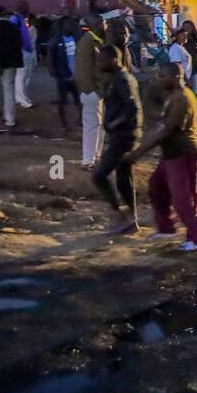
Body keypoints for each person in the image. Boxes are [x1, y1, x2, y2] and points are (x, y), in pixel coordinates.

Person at [126, 61, 197, 251]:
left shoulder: (182, 99)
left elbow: (167, 130)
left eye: (162, 76)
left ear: (175, 78)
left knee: (183, 198)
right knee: (157, 187)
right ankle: (166, 227)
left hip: (182, 153)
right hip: (173, 153)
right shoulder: (176, 96)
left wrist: (139, 152)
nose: (158, 80)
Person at [91, 44, 143, 235]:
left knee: (99, 175)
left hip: (124, 136)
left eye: (101, 60)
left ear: (114, 60)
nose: (98, 64)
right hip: (123, 135)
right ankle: (131, 221)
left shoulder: (122, 80)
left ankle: (121, 216)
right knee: (123, 179)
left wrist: (115, 124)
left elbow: (133, 108)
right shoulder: (117, 78)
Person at [75, 14, 107, 167]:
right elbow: (83, 69)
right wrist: (91, 90)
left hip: (96, 91)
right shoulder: (88, 41)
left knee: (98, 126)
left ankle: (95, 157)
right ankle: (88, 160)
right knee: (91, 126)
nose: (105, 25)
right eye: (103, 22)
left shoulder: (94, 41)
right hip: (91, 91)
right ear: (96, 24)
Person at [49, 16, 81, 131]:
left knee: (78, 100)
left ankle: (81, 121)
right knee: (62, 101)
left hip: (75, 76)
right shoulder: (56, 41)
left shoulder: (76, 39)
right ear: (63, 26)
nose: (71, 25)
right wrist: (55, 73)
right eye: (68, 23)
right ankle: (64, 124)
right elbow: (50, 59)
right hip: (63, 76)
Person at [12, 2, 37, 109]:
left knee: (24, 76)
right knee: (21, 76)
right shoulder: (15, 19)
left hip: (26, 51)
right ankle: (22, 99)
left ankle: (20, 97)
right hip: (22, 51)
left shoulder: (20, 19)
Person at [181, 20, 197, 93]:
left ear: (192, 28)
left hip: (195, 69)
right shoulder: (179, 41)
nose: (187, 29)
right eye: (185, 28)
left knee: (195, 91)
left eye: (189, 27)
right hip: (183, 70)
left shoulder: (196, 40)